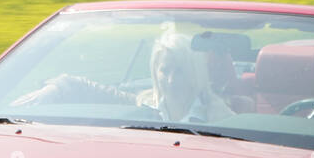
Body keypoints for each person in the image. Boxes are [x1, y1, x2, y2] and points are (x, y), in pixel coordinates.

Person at [12, 32, 233, 123]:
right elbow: (85, 88)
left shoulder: (222, 118)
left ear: (195, 73)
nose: (171, 80)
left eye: (180, 71)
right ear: (155, 72)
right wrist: (56, 89)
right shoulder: (143, 104)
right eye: (165, 71)